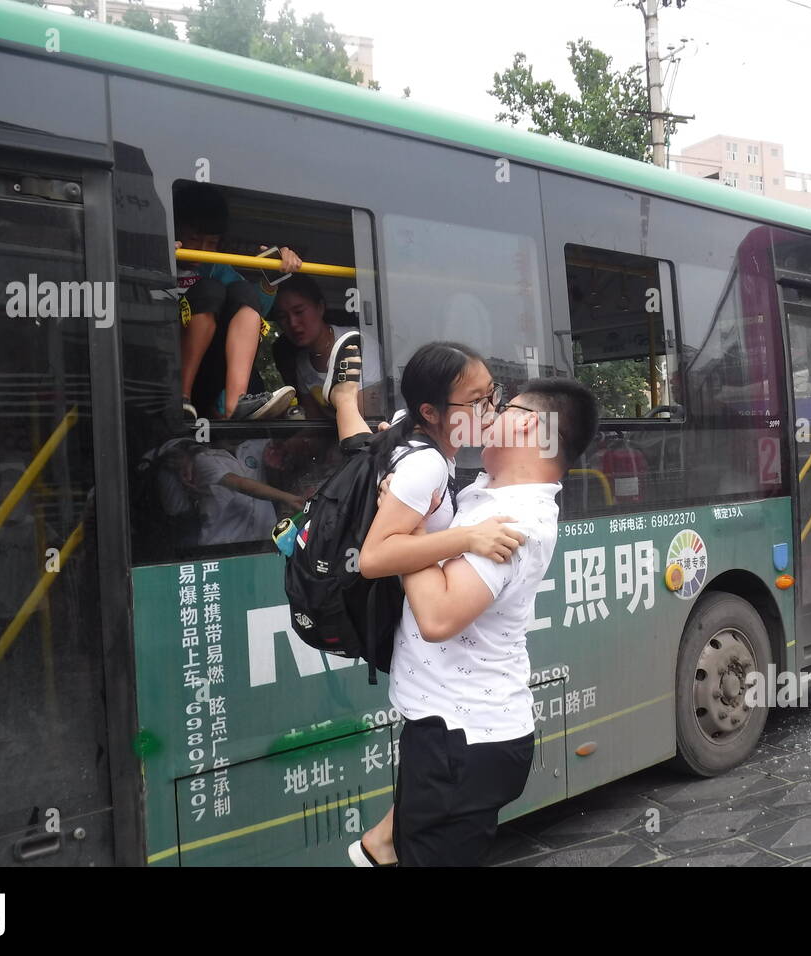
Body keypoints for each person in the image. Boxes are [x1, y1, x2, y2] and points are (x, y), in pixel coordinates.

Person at [354, 377, 599, 867]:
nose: (489, 414)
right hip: (455, 731)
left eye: (501, 406)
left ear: (529, 423)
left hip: (462, 743)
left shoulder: (515, 520)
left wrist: (409, 533)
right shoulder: (489, 491)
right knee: (391, 847)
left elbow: (439, 616)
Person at [172, 182, 301, 421]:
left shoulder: (215, 268)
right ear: (175, 230)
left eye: (211, 243)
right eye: (193, 239)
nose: (201, 250)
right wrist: (157, 253)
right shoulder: (155, 258)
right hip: (166, 368)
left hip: (207, 377)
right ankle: (179, 397)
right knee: (209, 290)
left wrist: (273, 275)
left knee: (239, 289)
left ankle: (236, 402)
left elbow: (252, 306)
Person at [270, 274, 361, 419]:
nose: (292, 323)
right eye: (282, 317)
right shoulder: (302, 363)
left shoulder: (356, 342)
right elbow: (314, 424)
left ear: (320, 308)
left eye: (299, 312)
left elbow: (371, 415)